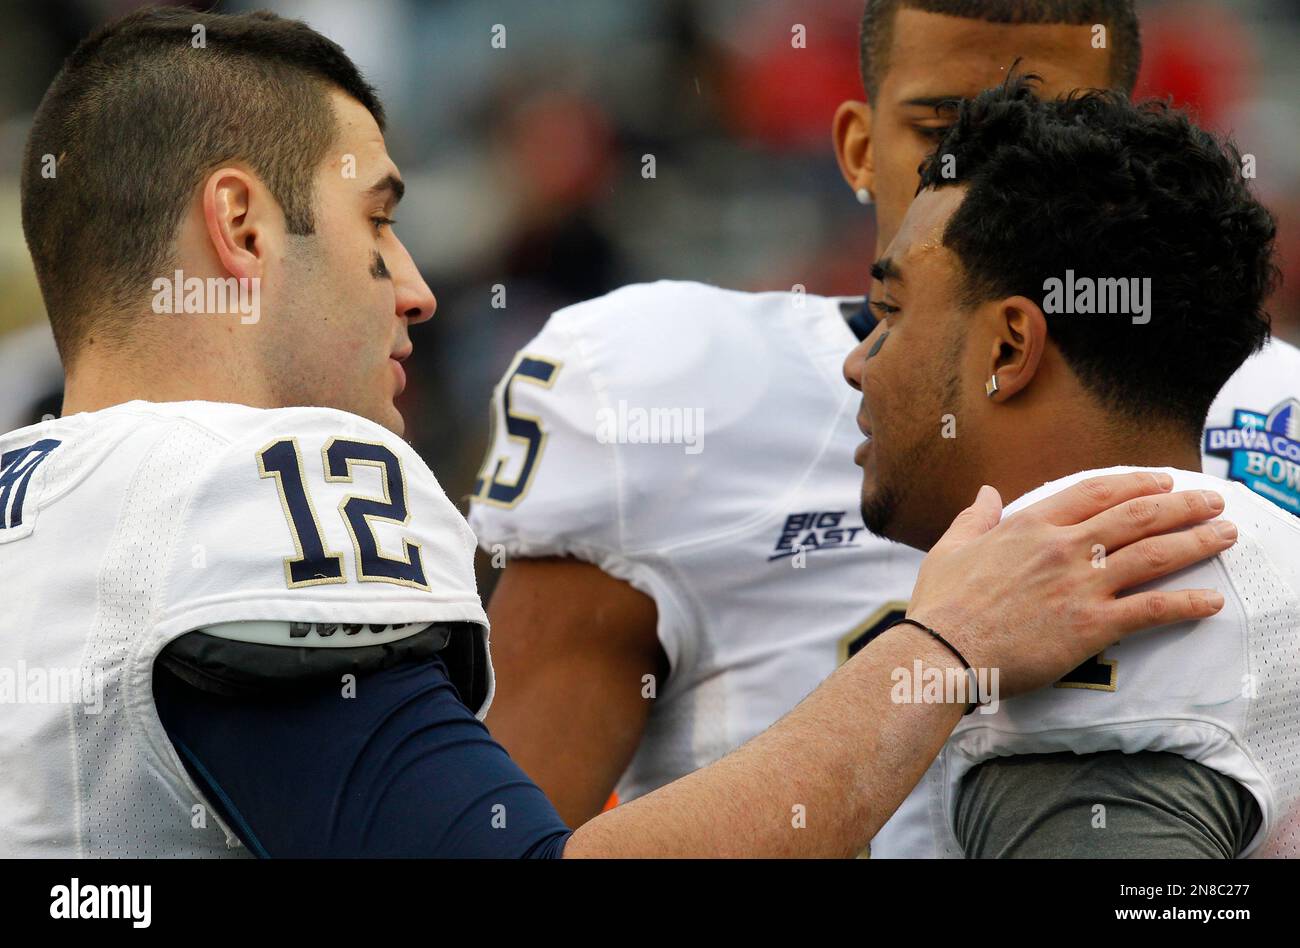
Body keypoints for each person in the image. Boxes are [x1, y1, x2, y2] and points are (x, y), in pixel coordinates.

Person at [0, 6, 1233, 859]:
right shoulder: (257, 492)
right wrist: (944, 643)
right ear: (244, 225)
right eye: (376, 218)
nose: (417, 285)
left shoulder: (43, 496)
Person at [470, 0, 1300, 850]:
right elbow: (506, 841)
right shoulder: (657, 389)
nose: (991, 172)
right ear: (860, 148)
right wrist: (941, 653)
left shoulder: (1265, 404)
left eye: (1049, 132)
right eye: (943, 130)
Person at [842, 77, 1296, 858]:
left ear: (1010, 347)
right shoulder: (1251, 547)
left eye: (889, 313)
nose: (858, 364)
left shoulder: (1108, 593)